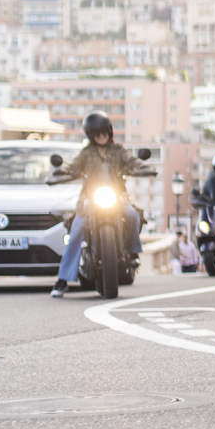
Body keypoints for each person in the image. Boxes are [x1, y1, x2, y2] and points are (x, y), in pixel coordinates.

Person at [52, 112, 144, 299]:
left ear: (109, 132)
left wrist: (143, 167)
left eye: (104, 131)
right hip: (90, 198)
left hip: (117, 196)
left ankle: (133, 252)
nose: (101, 135)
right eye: (97, 133)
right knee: (75, 232)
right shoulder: (86, 153)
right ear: (90, 135)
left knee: (132, 215)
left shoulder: (118, 150)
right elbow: (73, 166)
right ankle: (63, 279)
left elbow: (132, 161)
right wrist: (63, 171)